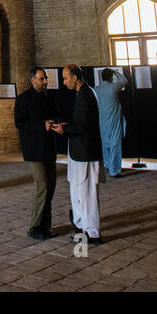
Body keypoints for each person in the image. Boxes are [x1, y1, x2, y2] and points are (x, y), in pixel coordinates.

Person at [53, 65, 103, 243]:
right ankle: (81, 225)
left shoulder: (86, 96)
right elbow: (81, 121)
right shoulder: (82, 94)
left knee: (87, 194)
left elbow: (84, 126)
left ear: (75, 78)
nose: (64, 82)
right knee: (77, 192)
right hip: (78, 152)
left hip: (85, 153)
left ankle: (92, 233)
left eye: (66, 78)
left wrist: (64, 130)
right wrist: (67, 126)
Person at [13, 66, 58, 240]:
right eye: (41, 79)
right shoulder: (24, 99)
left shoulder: (49, 97)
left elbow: (55, 114)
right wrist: (41, 125)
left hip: (49, 148)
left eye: (45, 78)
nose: (45, 81)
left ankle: (45, 225)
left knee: (50, 186)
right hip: (35, 150)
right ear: (33, 80)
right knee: (42, 186)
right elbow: (19, 123)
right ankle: (34, 226)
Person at [93, 67, 128, 177]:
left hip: (102, 121)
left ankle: (108, 165)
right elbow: (124, 81)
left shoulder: (96, 89)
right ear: (110, 77)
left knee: (105, 144)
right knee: (115, 145)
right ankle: (115, 170)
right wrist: (115, 72)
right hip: (113, 120)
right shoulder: (113, 87)